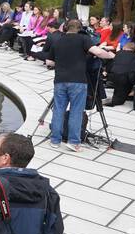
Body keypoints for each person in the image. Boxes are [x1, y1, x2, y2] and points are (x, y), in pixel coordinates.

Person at [44, 19, 115, 151]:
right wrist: (110, 55)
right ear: (79, 28)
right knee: (76, 112)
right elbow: (98, 52)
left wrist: (61, 63)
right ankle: (74, 141)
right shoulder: (83, 39)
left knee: (58, 110)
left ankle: (55, 140)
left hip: (60, 80)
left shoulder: (58, 40)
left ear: (66, 28)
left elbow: (49, 62)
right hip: (78, 81)